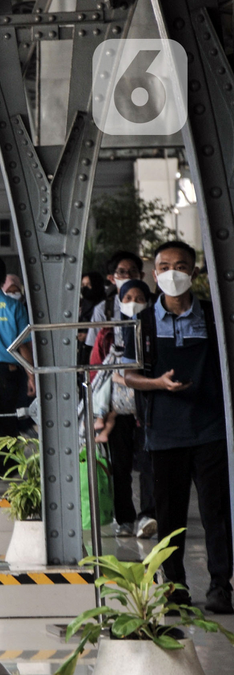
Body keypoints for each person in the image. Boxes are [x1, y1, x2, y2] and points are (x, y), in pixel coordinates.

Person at [122, 240, 232, 613]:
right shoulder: (142, 323)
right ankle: (175, 587)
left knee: (216, 512)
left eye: (181, 266)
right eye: (165, 266)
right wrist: (157, 385)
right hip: (164, 431)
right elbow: (129, 375)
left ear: (195, 272)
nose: (173, 273)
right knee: (170, 514)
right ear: (154, 274)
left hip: (211, 429)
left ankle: (221, 587)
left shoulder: (214, 317)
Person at [91, 279, 156, 539]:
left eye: (139, 297)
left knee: (149, 464)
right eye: (127, 298)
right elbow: (96, 366)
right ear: (119, 300)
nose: (133, 303)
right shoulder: (109, 331)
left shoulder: (155, 328)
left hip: (149, 405)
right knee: (120, 466)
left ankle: (148, 515)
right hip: (117, 409)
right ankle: (125, 518)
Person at [0, 256, 36, 483]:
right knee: (10, 418)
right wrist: (31, 376)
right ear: (3, 279)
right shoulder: (14, 307)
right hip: (10, 371)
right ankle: (11, 466)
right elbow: (24, 345)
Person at [85, 251, 144, 351]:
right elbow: (94, 347)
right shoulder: (104, 309)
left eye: (133, 271)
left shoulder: (153, 304)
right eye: (121, 272)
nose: (128, 276)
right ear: (112, 278)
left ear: (141, 276)